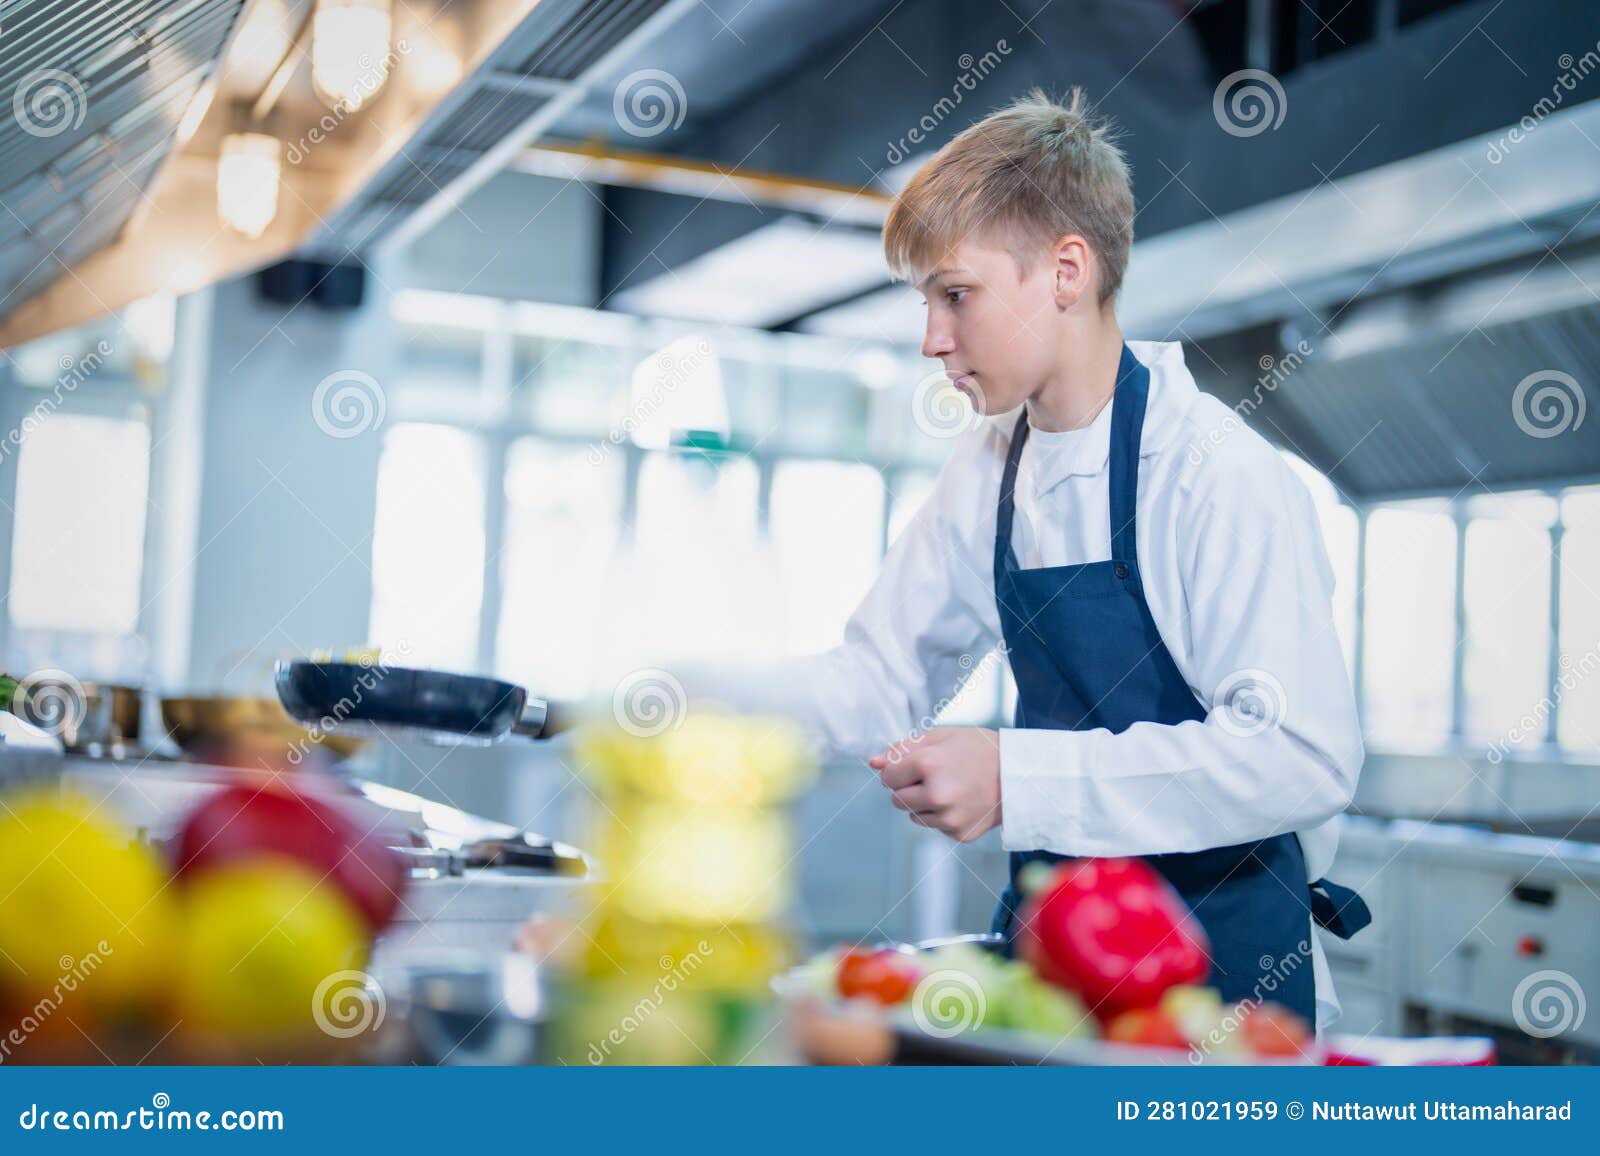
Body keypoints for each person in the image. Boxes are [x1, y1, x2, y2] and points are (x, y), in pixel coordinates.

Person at [610, 88, 1369, 1032]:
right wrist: (665, 689)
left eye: (954, 294)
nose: (932, 338)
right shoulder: (990, 466)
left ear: (1065, 271)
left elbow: (1299, 757)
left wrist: (1016, 778)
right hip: (1056, 975)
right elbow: (877, 685)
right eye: (926, 300)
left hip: (1225, 994)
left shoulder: (1215, 473)